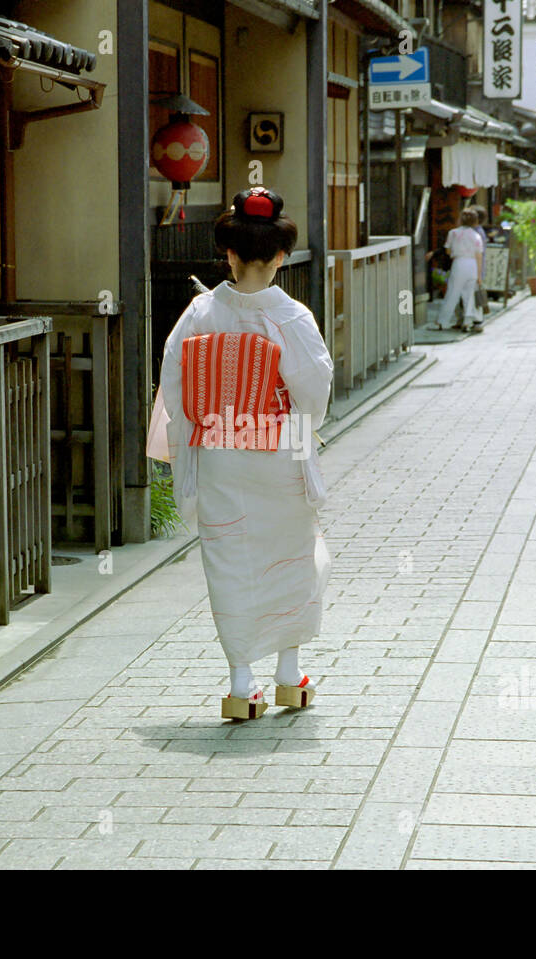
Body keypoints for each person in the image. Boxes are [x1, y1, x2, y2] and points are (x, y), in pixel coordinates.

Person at [158, 187, 334, 720]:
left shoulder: (199, 313)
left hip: (218, 451)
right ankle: (288, 672)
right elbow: (314, 392)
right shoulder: (292, 317)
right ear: (281, 256)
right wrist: (295, 424)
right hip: (280, 447)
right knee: (291, 555)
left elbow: (174, 387)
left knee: (231, 561)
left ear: (229, 255)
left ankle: (241, 684)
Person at [426, 207, 484, 332]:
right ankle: (467, 322)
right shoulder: (476, 236)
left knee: (452, 293)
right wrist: (479, 275)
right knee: (469, 295)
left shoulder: (453, 233)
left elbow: (447, 250)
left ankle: (442, 322)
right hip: (472, 265)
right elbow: (479, 256)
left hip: (459, 263)